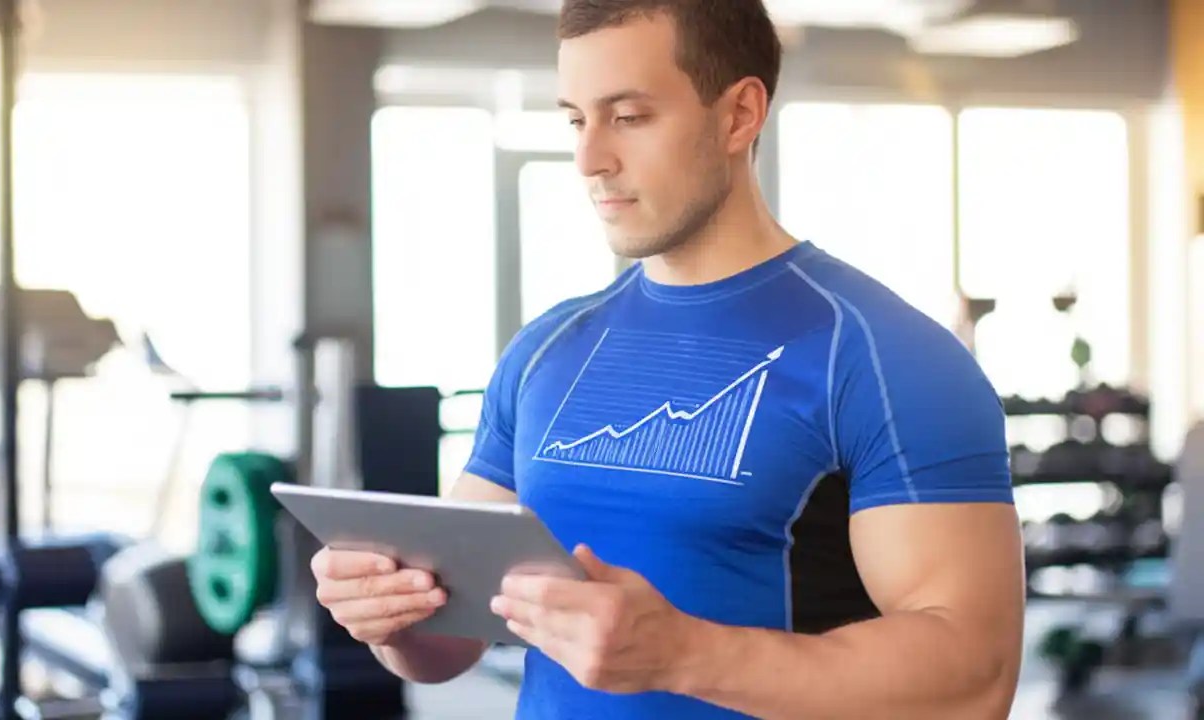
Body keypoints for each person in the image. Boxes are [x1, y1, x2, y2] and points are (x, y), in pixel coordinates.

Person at [311, 0, 1026, 717]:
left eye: (628, 116)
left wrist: (683, 654)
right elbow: (451, 640)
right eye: (574, 119)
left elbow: (974, 678)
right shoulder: (546, 351)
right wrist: (392, 613)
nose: (590, 158)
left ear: (740, 115)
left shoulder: (885, 355)